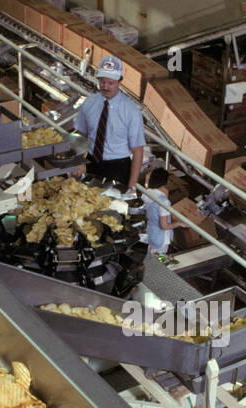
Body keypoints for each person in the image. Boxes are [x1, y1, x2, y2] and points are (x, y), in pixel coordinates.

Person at [74, 55, 144, 191]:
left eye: (110, 83)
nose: (105, 86)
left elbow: (138, 151)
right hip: (91, 161)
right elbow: (80, 135)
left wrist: (132, 186)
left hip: (118, 166)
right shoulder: (89, 103)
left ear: (119, 82)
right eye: (102, 82)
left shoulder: (131, 111)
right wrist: (76, 162)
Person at [141, 167, 176, 258]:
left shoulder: (146, 194)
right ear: (166, 182)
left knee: (152, 254)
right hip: (161, 237)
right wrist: (179, 224)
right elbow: (164, 226)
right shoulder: (163, 202)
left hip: (151, 232)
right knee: (158, 259)